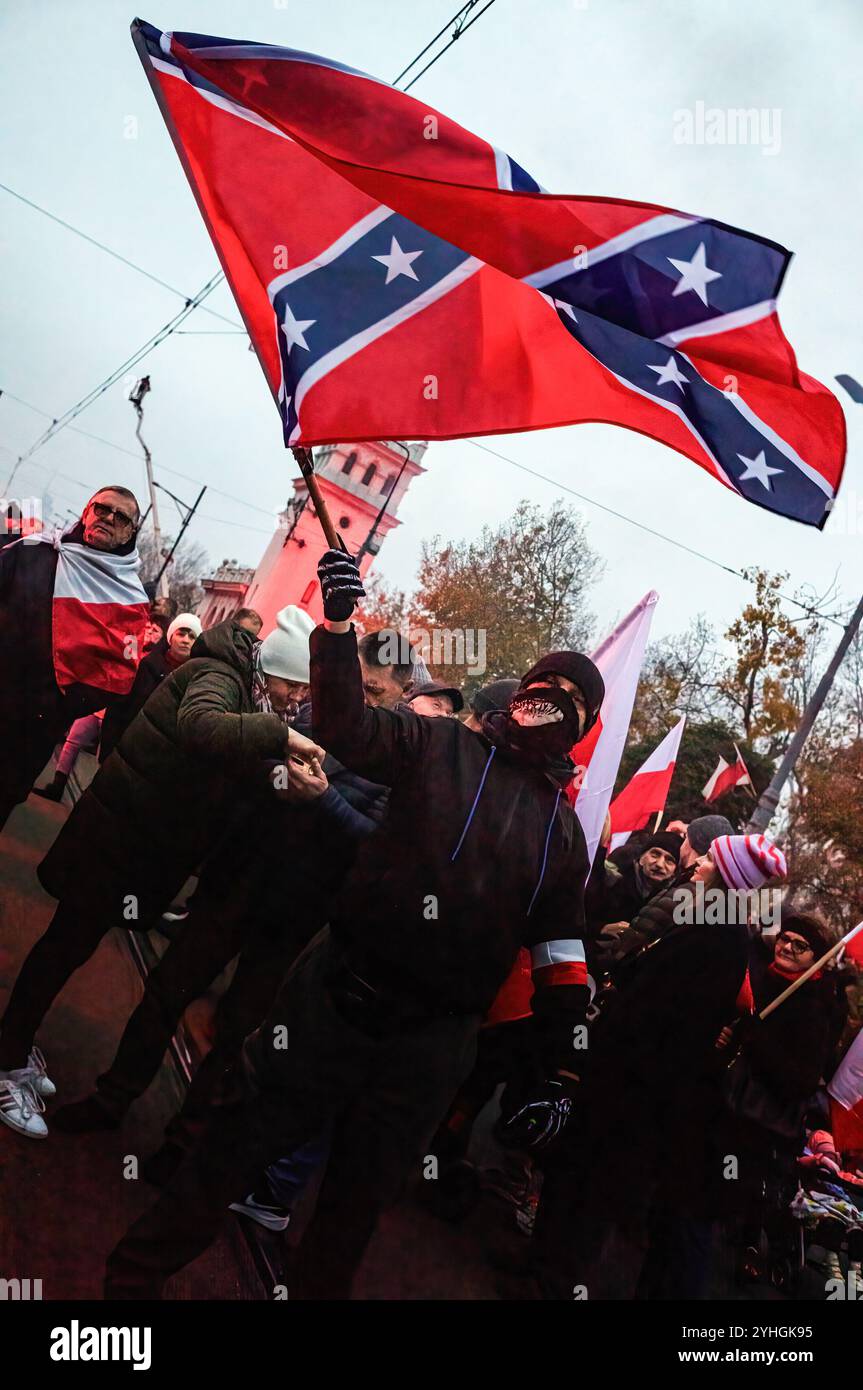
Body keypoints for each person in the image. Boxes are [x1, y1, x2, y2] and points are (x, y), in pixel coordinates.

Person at [103, 545, 604, 1300]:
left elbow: (562, 957)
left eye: (573, 696)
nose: (554, 699)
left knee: (351, 1214)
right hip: (333, 1000)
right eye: (547, 685)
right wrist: (336, 627)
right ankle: (129, 1284)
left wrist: (562, 1070)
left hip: (430, 1050)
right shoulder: (436, 744)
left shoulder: (563, 838)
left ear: (584, 726)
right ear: (522, 691)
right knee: (232, 1148)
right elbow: (343, 722)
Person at [0, 615, 323, 1139]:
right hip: (121, 839)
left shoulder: (246, 685)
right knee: (65, 944)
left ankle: (15, 1041)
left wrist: (282, 780)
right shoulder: (221, 676)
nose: (296, 698)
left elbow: (229, 761)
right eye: (294, 684)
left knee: (70, 945)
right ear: (273, 671)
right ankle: (7, 1057)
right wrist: (281, 737)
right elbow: (203, 728)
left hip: (134, 840)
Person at [532, 833, 788, 1300]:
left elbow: (665, 1015)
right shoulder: (707, 920)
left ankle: (554, 1281)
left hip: (635, 1086)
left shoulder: (717, 936)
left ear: (726, 876)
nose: (702, 860)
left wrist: (614, 1038)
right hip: (628, 1076)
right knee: (577, 1175)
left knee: (591, 1188)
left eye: (712, 857)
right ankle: (543, 1266)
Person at [0, 486, 148, 830]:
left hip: (31, 727)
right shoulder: (34, 550)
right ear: (87, 511)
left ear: (130, 532)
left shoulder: (130, 600)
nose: (109, 518)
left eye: (121, 517)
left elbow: (119, 677)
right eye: (102, 509)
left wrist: (55, 706)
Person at [718, 912, 847, 1283]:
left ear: (814, 958)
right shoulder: (760, 977)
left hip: (764, 1124)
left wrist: (757, 1039)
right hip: (727, 1105)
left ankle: (749, 1252)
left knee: (746, 1195)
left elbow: (802, 1081)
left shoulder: (815, 1007)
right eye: (785, 939)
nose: (788, 947)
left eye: (800, 945)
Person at [97, 613, 203, 764]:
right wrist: (108, 749)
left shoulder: (195, 679)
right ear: (171, 636)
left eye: (192, 637)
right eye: (181, 634)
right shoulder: (146, 666)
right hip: (122, 747)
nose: (186, 640)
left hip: (156, 759)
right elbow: (119, 707)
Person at [586, 831, 682, 938]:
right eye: (655, 855)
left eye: (669, 860)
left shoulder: (670, 899)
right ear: (641, 858)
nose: (659, 864)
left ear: (675, 871)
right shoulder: (611, 881)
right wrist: (602, 928)